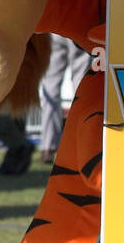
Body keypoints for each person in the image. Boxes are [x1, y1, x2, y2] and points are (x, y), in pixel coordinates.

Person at [39, 34, 91, 164]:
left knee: (50, 87)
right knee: (81, 87)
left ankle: (47, 147)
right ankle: (82, 145)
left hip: (54, 29)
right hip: (78, 28)